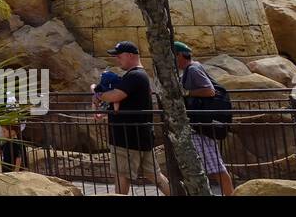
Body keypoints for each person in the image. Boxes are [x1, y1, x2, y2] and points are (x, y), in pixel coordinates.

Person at [93, 41, 171, 195]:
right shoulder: (138, 75)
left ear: (130, 55)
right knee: (154, 175)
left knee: (122, 176)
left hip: (127, 138)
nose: (117, 59)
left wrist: (98, 94)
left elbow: (115, 95)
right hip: (140, 136)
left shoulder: (134, 75)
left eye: (119, 56)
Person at [174, 41, 234, 196]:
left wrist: (187, 93)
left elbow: (209, 91)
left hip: (202, 125)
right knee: (207, 168)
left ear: (179, 55)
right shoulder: (189, 70)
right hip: (198, 125)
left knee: (216, 169)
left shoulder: (193, 69)